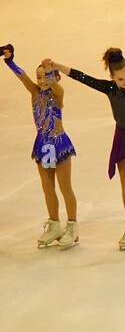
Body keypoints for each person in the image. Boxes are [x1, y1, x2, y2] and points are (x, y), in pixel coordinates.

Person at [50, 46, 125, 252]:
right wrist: (57, 66)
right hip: (122, 139)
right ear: (112, 78)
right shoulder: (109, 89)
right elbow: (81, 77)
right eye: (120, 79)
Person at [3, 45, 79, 249]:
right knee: (48, 188)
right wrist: (10, 61)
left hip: (59, 143)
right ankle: (54, 224)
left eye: (46, 76)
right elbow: (22, 77)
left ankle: (72, 225)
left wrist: (49, 70)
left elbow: (57, 86)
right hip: (43, 145)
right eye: (40, 77)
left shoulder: (58, 95)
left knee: (65, 187)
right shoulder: (34, 93)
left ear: (54, 77)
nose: (42, 80)